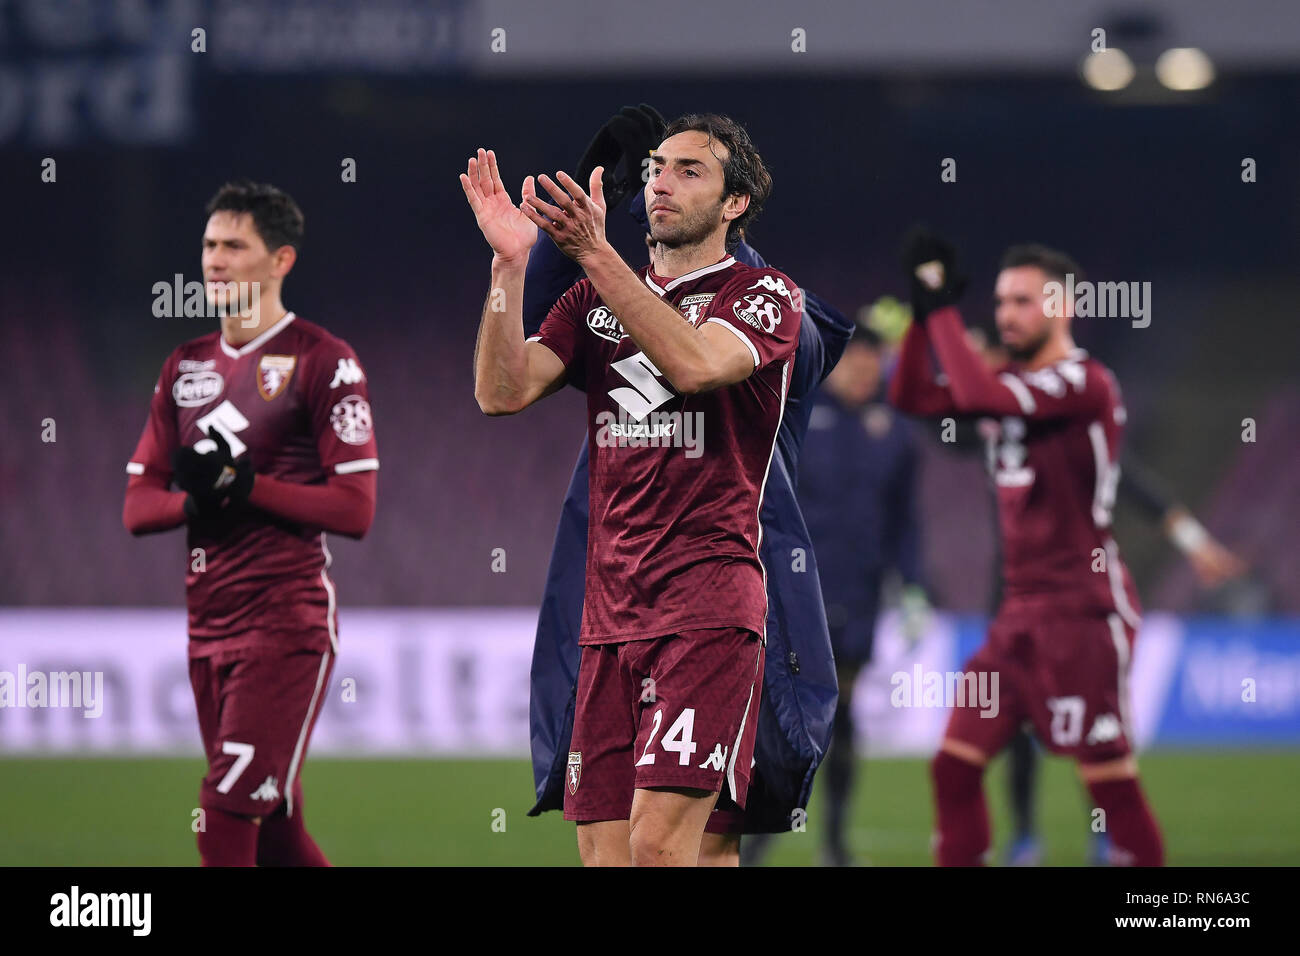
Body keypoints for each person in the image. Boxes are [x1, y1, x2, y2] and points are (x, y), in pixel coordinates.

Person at [461, 113, 804, 865]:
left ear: (735, 204)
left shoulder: (763, 295)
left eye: (689, 171)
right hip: (609, 615)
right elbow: (500, 391)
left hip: (707, 607)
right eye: (654, 168)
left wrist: (594, 254)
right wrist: (510, 267)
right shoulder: (591, 305)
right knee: (614, 857)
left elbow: (694, 365)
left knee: (658, 849)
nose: (660, 183)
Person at [123, 181, 378, 866]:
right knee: (275, 824)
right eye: (209, 245)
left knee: (224, 808)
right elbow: (138, 505)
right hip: (207, 628)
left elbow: (355, 511)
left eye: (235, 246)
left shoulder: (324, 360)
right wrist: (197, 505)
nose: (216, 260)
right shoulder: (185, 368)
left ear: (280, 262)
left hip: (285, 627)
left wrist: (246, 486)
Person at [888, 232, 1163, 866]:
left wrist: (943, 306)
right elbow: (910, 397)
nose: (1006, 315)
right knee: (953, 769)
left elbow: (980, 398)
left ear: (1062, 306)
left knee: (1110, 786)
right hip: (1018, 618)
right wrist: (924, 314)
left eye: (1021, 301)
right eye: (1000, 302)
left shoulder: (1083, 382)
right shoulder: (1009, 379)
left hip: (1084, 614)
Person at [794, 323, 928, 865]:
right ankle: (751, 841)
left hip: (860, 597)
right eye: (854, 362)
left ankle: (835, 840)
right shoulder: (800, 418)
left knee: (842, 718)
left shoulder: (895, 432)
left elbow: (906, 523)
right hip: (798, 596)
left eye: (872, 363)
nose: (862, 372)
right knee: (783, 720)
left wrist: (914, 587)